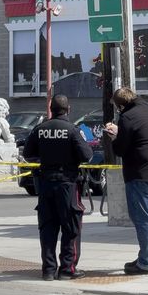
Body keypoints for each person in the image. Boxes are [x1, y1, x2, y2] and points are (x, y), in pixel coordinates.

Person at [22, 94, 93, 281]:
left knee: (48, 228)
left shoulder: (40, 129)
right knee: (71, 228)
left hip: (45, 185)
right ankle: (67, 269)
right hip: (67, 185)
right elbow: (87, 155)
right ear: (68, 109)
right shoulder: (72, 130)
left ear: (51, 109)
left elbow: (28, 153)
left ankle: (48, 270)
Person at [103, 86, 148, 275]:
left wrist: (114, 136)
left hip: (140, 173)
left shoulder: (127, 117)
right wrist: (122, 131)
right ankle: (147, 256)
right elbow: (143, 135)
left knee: (142, 219)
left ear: (120, 106)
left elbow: (121, 149)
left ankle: (147, 262)